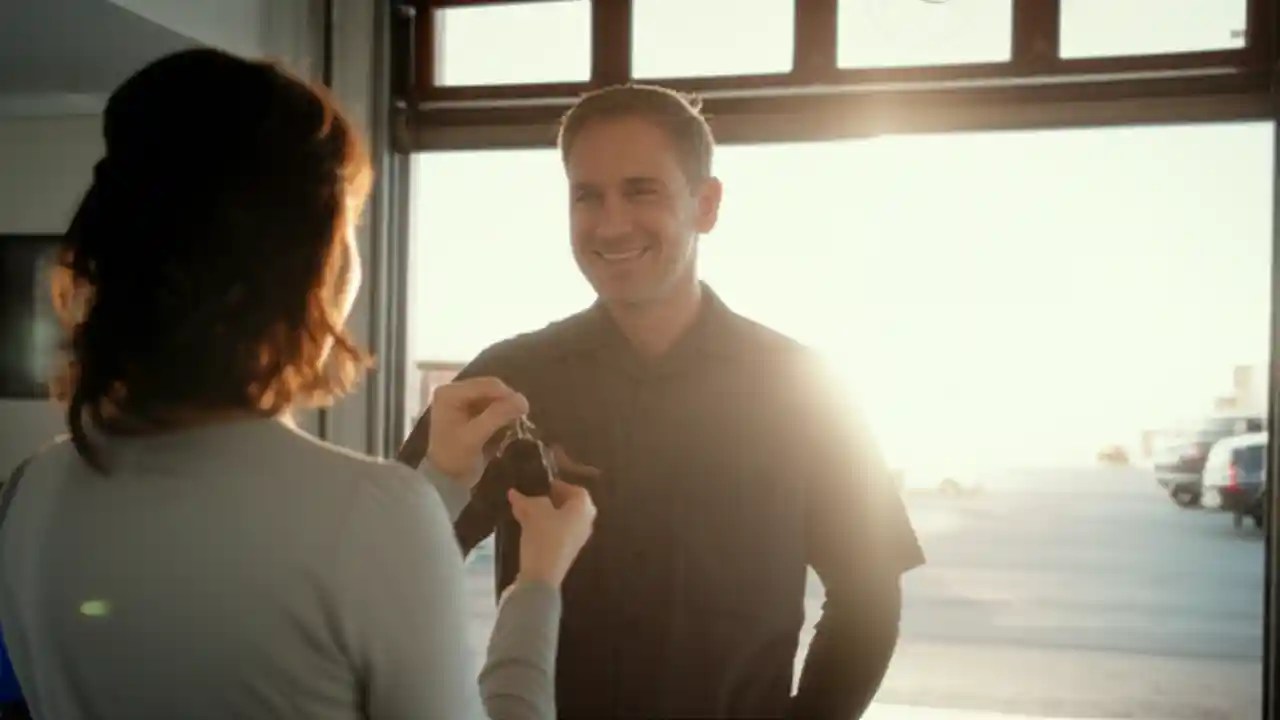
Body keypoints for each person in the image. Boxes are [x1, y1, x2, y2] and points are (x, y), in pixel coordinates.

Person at [0, 48, 596, 720]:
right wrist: (538, 585)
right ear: (310, 260)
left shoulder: (30, 492)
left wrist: (438, 484)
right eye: (353, 223)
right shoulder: (377, 516)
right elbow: (323, 562)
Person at [398, 84, 926, 719]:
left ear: (706, 205)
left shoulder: (803, 388)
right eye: (586, 196)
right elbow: (397, 576)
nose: (610, 224)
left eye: (640, 191)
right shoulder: (508, 378)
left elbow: (869, 598)